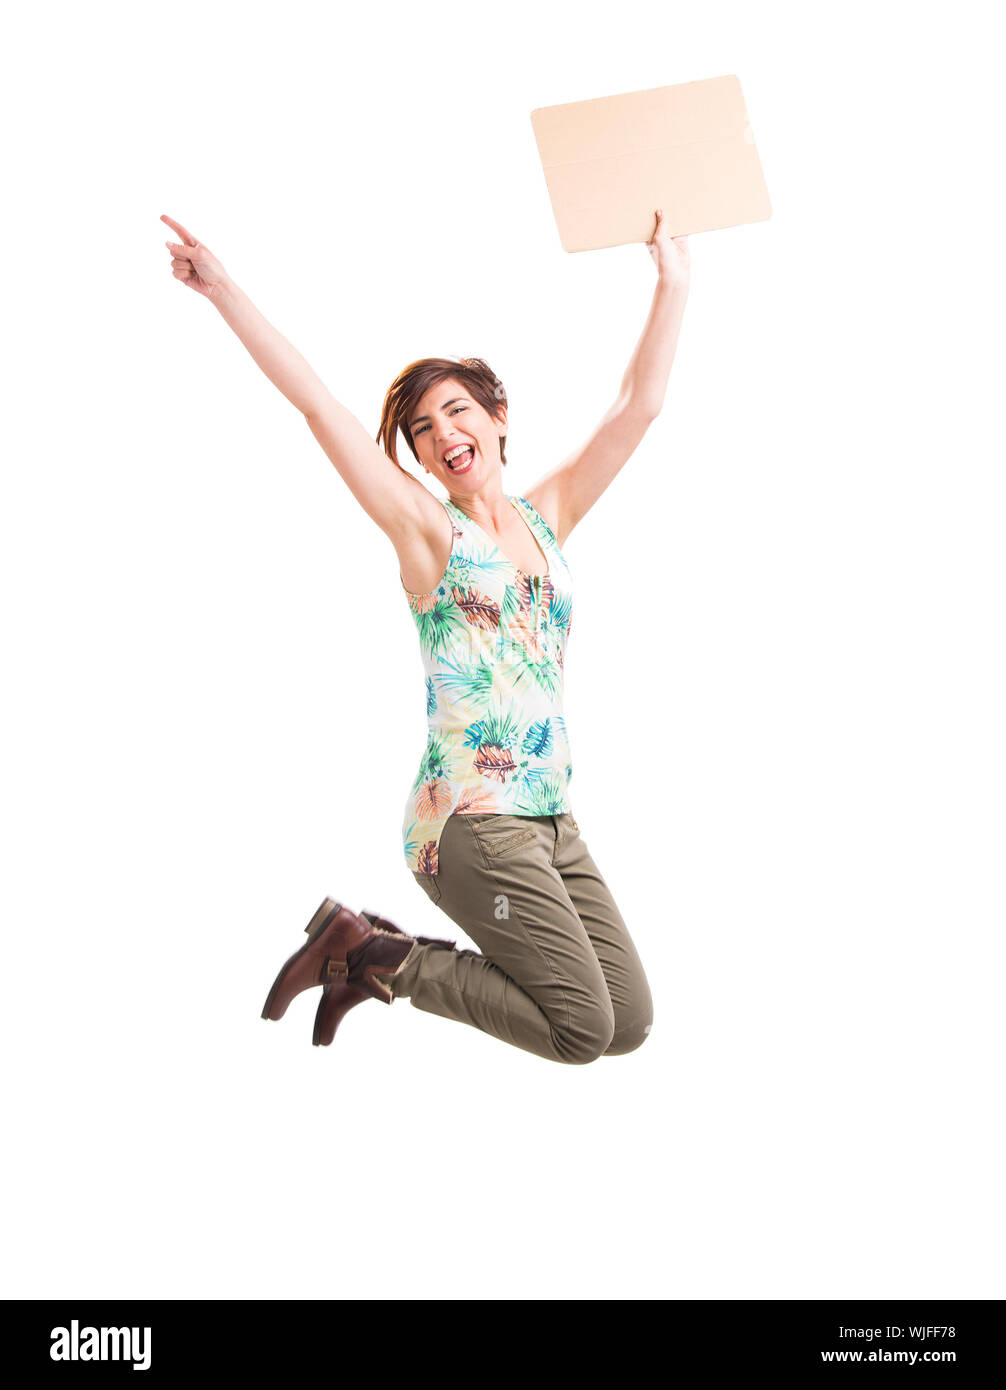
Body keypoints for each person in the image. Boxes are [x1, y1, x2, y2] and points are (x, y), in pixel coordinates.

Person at [162, 208, 690, 1064]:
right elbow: (316, 404)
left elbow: (639, 405)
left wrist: (674, 280)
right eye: (422, 429)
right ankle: (379, 958)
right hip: (470, 825)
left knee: (626, 1024)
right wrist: (224, 290)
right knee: (581, 1031)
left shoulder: (546, 515)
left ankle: (370, 950)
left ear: (498, 417)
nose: (443, 434)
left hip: (551, 817)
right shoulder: (428, 534)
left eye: (456, 412)